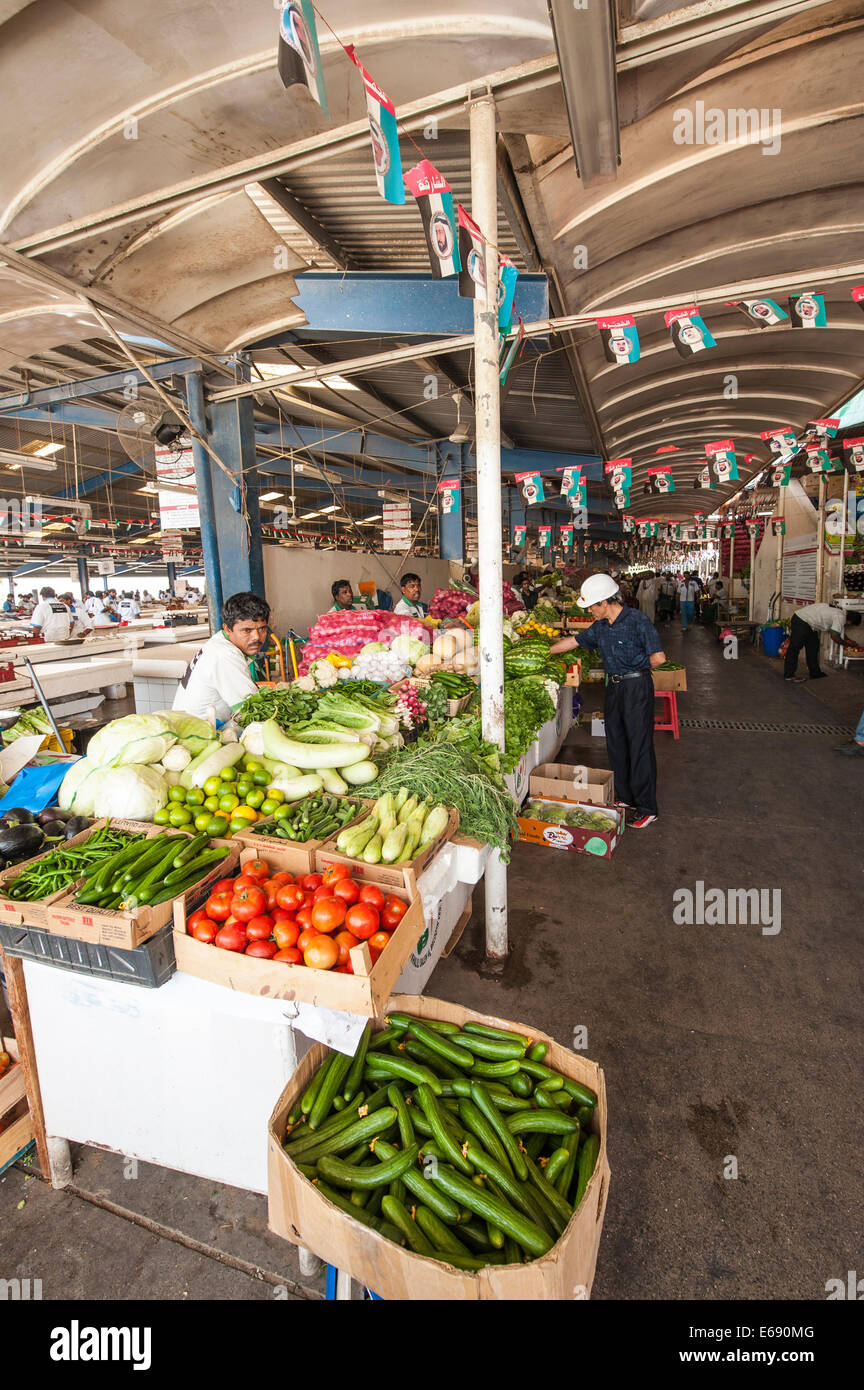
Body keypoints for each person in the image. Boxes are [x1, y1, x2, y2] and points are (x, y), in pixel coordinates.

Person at [550, 572, 666, 828]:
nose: (590, 610)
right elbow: (573, 641)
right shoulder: (600, 626)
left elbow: (658, 658)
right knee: (616, 743)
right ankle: (625, 797)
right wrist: (545, 651)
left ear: (605, 602)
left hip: (636, 687)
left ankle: (647, 807)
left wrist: (633, 667)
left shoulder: (637, 621)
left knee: (639, 746)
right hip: (614, 688)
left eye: (591, 605)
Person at [173, 591, 269, 724]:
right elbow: (254, 711)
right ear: (228, 629)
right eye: (247, 630)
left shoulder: (219, 642)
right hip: (198, 734)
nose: (257, 637)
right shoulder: (225, 655)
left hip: (197, 724)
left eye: (262, 629)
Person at [783, 605, 862, 682]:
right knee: (795, 647)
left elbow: (837, 631)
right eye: (850, 624)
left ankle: (815, 673)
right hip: (802, 620)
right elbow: (834, 636)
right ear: (850, 621)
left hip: (810, 624)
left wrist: (849, 640)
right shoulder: (840, 617)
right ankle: (789, 675)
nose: (848, 625)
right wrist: (847, 644)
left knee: (813, 648)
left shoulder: (841, 612)